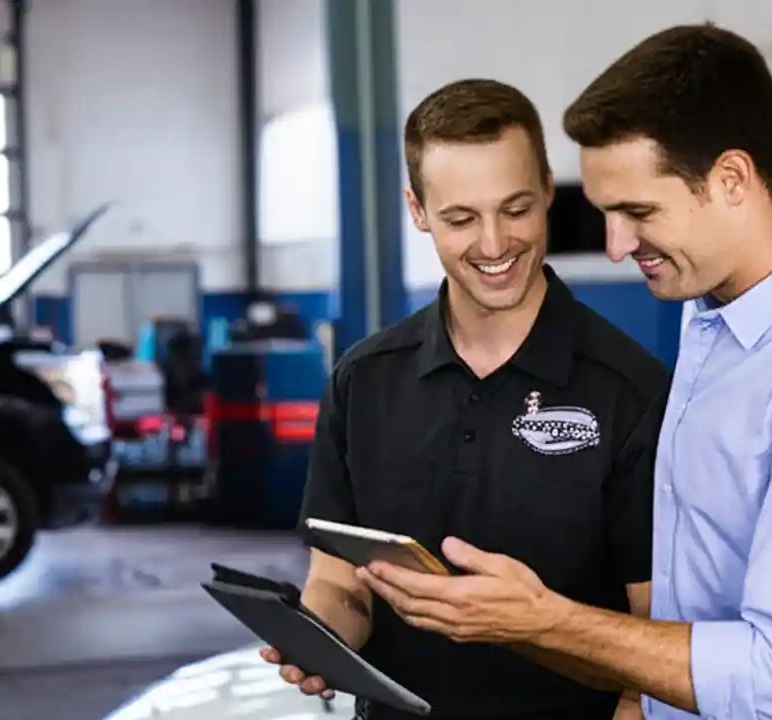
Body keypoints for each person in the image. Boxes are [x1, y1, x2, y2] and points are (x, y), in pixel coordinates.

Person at [357, 22, 772, 720]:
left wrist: (543, 620)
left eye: (638, 212)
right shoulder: (717, 322)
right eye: (607, 214)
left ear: (730, 179)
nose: (615, 246)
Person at [260, 78, 670, 719]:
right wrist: (321, 639)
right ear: (418, 210)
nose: (493, 243)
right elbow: (341, 583)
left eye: (516, 209)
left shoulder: (631, 392)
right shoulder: (363, 381)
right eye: (460, 218)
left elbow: (652, 640)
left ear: (545, 191)